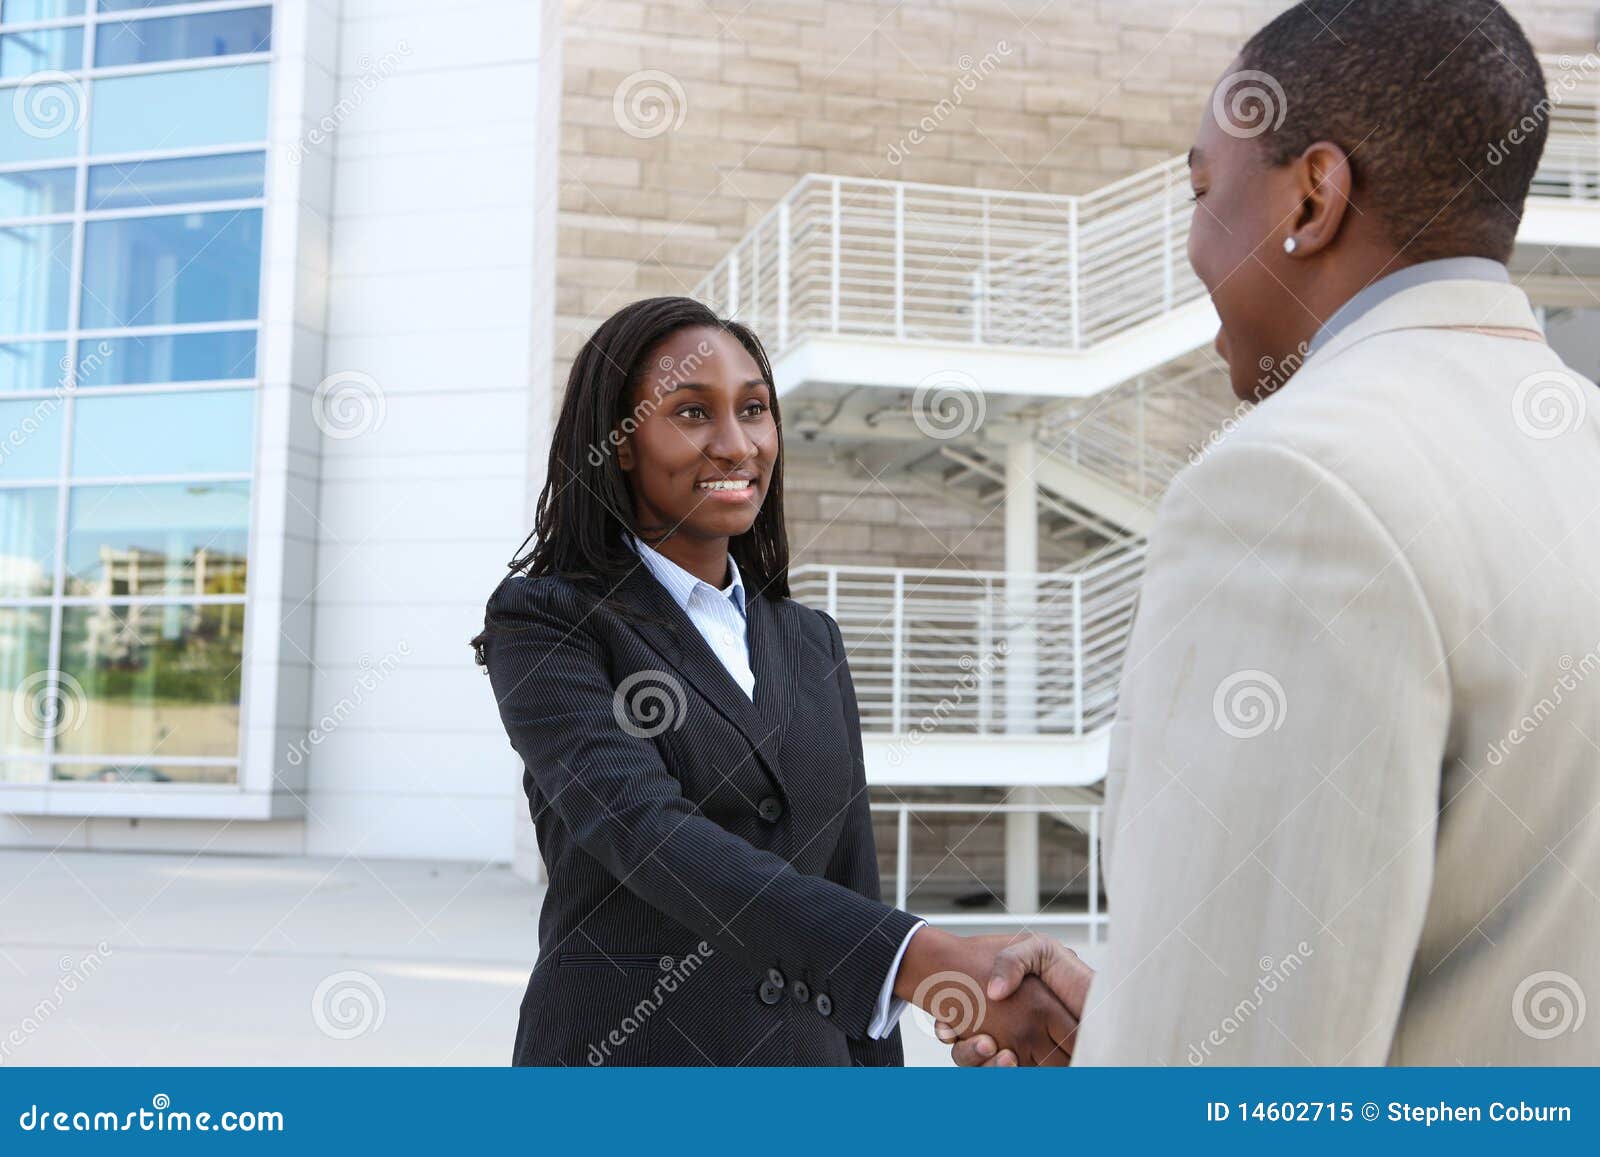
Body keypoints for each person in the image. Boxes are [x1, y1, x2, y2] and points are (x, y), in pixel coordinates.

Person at [949, 0, 1600, 1065]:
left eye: (1203, 190)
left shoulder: (1291, 488)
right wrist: (1139, 1019)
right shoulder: (1574, 441)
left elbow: (1229, 1090)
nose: (1191, 238)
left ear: (1313, 197)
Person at [473, 295, 1077, 1065]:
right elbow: (648, 834)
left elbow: (852, 877)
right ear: (620, 443)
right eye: (692, 413)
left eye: (754, 410)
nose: (736, 444)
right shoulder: (548, 622)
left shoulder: (808, 639)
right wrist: (923, 957)